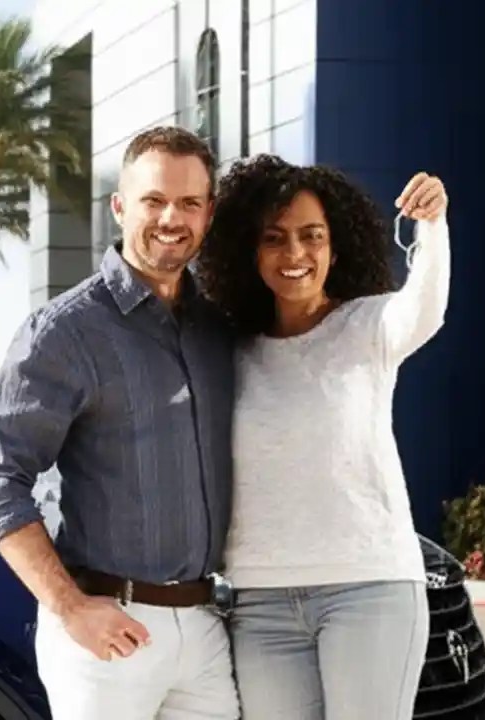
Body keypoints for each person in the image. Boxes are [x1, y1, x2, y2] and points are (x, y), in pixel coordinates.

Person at [0, 126, 239, 720]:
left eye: (190, 202)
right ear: (119, 207)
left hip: (207, 627)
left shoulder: (219, 333)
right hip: (105, 625)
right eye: (154, 200)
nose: (172, 217)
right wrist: (69, 607)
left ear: (209, 214)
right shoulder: (65, 332)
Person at [194, 153, 450, 720]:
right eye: (274, 238)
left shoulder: (370, 326)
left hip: (370, 589)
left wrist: (432, 225)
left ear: (337, 246)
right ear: (248, 249)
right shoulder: (230, 351)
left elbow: (425, 309)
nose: (295, 254)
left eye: (313, 236)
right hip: (259, 601)